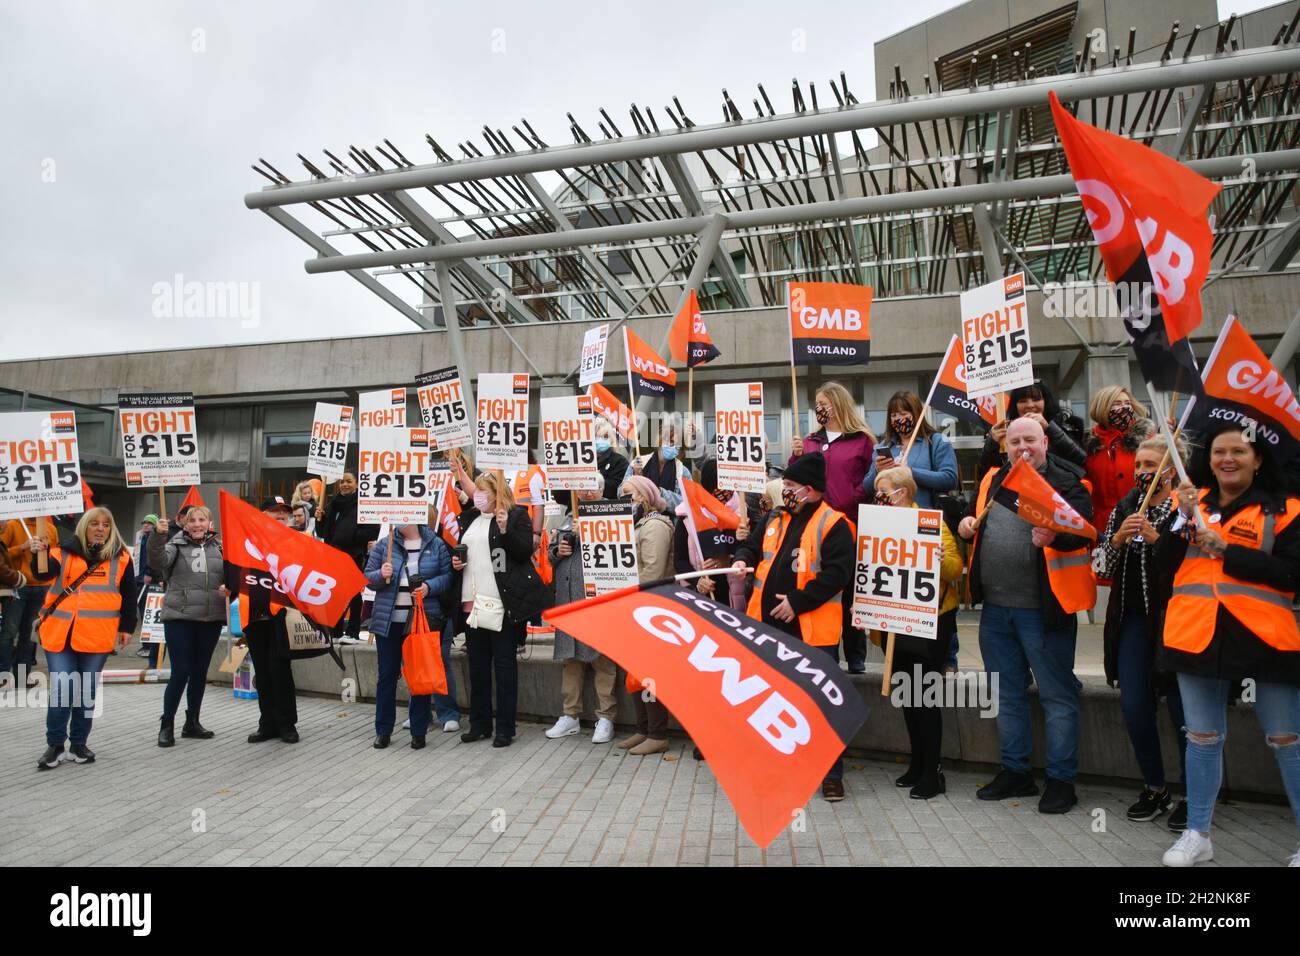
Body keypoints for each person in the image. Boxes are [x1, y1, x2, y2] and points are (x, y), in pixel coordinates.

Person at [1156, 425, 1300, 867]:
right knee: (1201, 738)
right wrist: (1177, 520)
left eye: (1239, 451)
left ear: (1258, 460)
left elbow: (1293, 575)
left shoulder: (1288, 509)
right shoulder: (1191, 504)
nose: (1227, 459)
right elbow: (1162, 566)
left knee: (1287, 740)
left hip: (1264, 637)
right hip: (1195, 634)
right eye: (1220, 451)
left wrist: (1228, 552)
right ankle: (1197, 833)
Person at [958, 417, 1094, 813]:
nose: (1022, 448)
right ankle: (1016, 772)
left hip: (1044, 611)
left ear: (1045, 442)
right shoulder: (992, 480)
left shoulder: (1069, 481)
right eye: (1014, 441)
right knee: (1006, 695)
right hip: (997, 611)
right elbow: (971, 517)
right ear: (1005, 446)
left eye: (1030, 440)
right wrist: (965, 523)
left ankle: (1061, 780)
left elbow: (1086, 530)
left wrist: (1057, 535)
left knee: (1057, 697)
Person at [732, 453, 856, 801]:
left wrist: (797, 603)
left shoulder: (835, 524)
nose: (784, 491)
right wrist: (742, 559)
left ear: (810, 490)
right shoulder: (775, 517)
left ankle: (831, 775)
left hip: (812, 632)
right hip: (767, 628)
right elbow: (751, 547)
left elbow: (837, 575)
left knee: (821, 706)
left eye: (790, 486)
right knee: (773, 704)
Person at [1098, 434, 1189, 830]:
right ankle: (1155, 786)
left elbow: (1190, 563)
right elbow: (1100, 565)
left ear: (1170, 470)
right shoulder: (1125, 507)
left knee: (1184, 712)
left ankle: (1195, 795)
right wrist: (1118, 539)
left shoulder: (1183, 509)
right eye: (1139, 466)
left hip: (1177, 621)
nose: (1142, 473)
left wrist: (1157, 540)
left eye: (1151, 466)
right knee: (1135, 708)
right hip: (1133, 621)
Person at [869, 466, 962, 799]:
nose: (878, 497)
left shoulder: (929, 522)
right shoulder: (878, 525)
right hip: (896, 623)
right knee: (907, 696)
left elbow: (955, 569)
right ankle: (918, 762)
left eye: (883, 491)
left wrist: (938, 558)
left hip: (930, 620)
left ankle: (933, 771)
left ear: (903, 492)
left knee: (924, 697)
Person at [451, 462, 549, 748]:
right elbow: (463, 551)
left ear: (496, 494)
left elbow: (522, 551)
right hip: (473, 603)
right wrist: (457, 562)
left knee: (504, 666)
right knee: (477, 667)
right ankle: (480, 723)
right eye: (476, 491)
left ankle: (505, 727)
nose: (477, 496)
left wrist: (505, 530)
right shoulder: (470, 518)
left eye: (483, 492)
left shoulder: (516, 515)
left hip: (502, 603)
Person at [34, 508, 137, 770]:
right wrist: (40, 552)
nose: (100, 528)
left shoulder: (122, 557)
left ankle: (79, 743)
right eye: (94, 524)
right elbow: (42, 574)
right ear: (84, 527)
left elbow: (128, 595)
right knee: (63, 688)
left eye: (105, 524)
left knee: (86, 691)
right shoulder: (61, 551)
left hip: (97, 636)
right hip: (60, 633)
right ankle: (56, 744)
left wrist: (127, 627)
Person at [790, 382, 875, 673]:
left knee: (851, 587)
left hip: (849, 523)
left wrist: (855, 497)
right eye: (817, 404)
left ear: (839, 405)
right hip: (815, 525)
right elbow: (798, 479)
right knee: (821, 583)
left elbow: (872, 479)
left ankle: (855, 652)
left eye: (824, 403)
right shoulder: (811, 440)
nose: (819, 409)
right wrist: (795, 456)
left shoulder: (862, 440)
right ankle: (825, 650)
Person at [364, 522, 452, 749]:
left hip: (419, 623)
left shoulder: (436, 544)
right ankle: (383, 731)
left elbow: (447, 577)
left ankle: (419, 731)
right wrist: (379, 574)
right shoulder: (385, 545)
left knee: (419, 677)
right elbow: (367, 578)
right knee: (387, 677)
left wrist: (428, 587)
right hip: (389, 622)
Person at [544, 488, 618, 745]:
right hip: (569, 599)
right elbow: (551, 553)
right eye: (582, 488)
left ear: (600, 489)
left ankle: (606, 716)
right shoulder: (568, 516)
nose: (586, 492)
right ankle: (570, 714)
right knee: (571, 659)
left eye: (591, 487)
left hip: (597, 598)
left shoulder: (612, 512)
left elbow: (616, 550)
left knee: (602, 660)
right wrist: (558, 552)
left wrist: (586, 533)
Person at [149, 506, 227, 747]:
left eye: (201, 519)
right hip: (180, 617)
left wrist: (229, 587)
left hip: (210, 618)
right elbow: (157, 560)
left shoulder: (220, 547)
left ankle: (192, 721)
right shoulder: (175, 544)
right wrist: (158, 536)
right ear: (183, 523)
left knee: (199, 672)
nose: (196, 524)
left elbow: (231, 575)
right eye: (191, 520)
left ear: (209, 522)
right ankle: (167, 723)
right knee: (181, 671)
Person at [616, 475, 677, 755]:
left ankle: (657, 732)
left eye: (630, 494)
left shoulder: (654, 526)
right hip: (635, 606)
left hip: (651, 607)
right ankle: (642, 729)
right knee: (635, 673)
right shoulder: (635, 525)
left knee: (650, 673)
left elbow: (652, 571)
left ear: (644, 496)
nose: (625, 499)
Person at [242, 497, 301, 745]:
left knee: (280, 670)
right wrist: (229, 589)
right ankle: (267, 723)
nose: (280, 516)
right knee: (263, 672)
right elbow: (236, 572)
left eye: (284, 513)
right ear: (262, 516)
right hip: (254, 616)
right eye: (274, 513)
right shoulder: (247, 544)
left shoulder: (296, 543)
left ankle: (287, 724)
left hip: (281, 615)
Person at [863, 390, 959, 509]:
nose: (898, 419)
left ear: (916, 414)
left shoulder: (936, 441)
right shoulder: (885, 446)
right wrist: (877, 471)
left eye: (903, 414)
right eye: (894, 416)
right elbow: (867, 488)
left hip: (925, 517)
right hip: (890, 519)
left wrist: (911, 473)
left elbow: (950, 479)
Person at [1084, 385, 1156, 541]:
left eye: (1127, 403)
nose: (1124, 408)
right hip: (1102, 526)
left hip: (1140, 523)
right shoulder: (1089, 445)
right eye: (1117, 403)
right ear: (1103, 407)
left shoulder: (1147, 442)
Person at [977, 380, 1087, 478]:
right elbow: (984, 474)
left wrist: (1049, 428)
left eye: (1036, 399)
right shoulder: (1005, 433)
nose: (1030, 405)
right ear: (1015, 406)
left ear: (1046, 402)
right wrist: (992, 443)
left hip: (1058, 493)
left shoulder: (1065, 427)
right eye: (1023, 401)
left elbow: (1082, 460)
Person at [317, 472, 378, 643]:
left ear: (357, 484)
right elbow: (323, 533)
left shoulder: (363, 504)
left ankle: (353, 630)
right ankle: (335, 631)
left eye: (349, 481)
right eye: (342, 481)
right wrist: (319, 520)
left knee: (352, 592)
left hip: (353, 554)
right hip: (333, 555)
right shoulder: (332, 504)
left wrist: (352, 536)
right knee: (335, 592)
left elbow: (372, 530)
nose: (344, 484)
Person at [1, 516, 57, 686]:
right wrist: (23, 547)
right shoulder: (12, 525)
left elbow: (55, 558)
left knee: (30, 635)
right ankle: (3, 677)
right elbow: (3, 554)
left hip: (42, 588)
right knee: (9, 633)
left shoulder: (50, 529)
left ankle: (22, 677)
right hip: (19, 586)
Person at [635, 418, 685, 512]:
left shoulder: (682, 470)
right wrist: (635, 476)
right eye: (671, 442)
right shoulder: (640, 462)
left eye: (677, 445)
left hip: (669, 522)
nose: (673, 447)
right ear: (660, 441)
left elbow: (686, 504)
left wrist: (659, 493)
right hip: (641, 520)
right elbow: (621, 492)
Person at [595, 420, 630, 500]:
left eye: (605, 437)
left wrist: (597, 479)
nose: (600, 440)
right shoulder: (582, 463)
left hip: (610, 509)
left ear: (611, 439)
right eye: (596, 436)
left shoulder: (620, 462)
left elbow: (619, 490)